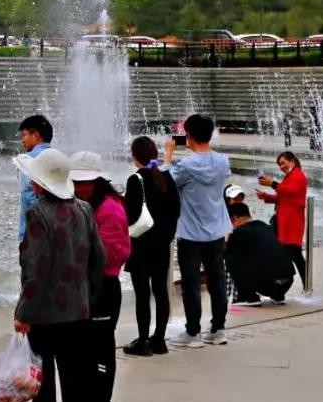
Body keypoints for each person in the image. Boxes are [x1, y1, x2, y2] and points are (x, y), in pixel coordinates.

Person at [10, 147, 105, 402]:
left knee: (43, 378)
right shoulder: (84, 210)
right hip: (78, 309)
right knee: (77, 375)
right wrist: (87, 296)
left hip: (46, 313)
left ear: (39, 184)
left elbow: (35, 270)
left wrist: (23, 312)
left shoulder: (38, 215)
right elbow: (98, 258)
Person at [69, 152, 131, 402]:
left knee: (102, 348)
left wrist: (81, 251)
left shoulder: (110, 209)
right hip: (84, 285)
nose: (78, 187)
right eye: (75, 182)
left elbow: (117, 252)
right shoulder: (84, 205)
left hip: (103, 286)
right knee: (84, 349)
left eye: (83, 182)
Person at [162, 113, 232, 346]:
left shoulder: (186, 166)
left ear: (188, 136)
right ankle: (219, 328)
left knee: (191, 282)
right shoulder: (223, 161)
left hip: (191, 232)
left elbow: (166, 183)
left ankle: (193, 333)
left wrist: (168, 155)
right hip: (216, 229)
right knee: (217, 279)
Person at [122, 136, 179, 356]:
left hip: (141, 244)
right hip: (161, 244)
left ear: (135, 156)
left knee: (142, 294)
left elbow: (132, 214)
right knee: (161, 292)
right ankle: (159, 340)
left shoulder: (136, 179)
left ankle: (143, 340)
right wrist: (166, 235)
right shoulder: (165, 177)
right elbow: (175, 209)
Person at [225, 199, 295, 306]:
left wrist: (228, 240)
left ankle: (248, 297)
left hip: (267, 283)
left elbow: (228, 257)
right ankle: (278, 296)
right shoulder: (265, 227)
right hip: (287, 281)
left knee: (230, 256)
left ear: (235, 218)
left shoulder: (238, 233)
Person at [256, 151, 309, 291]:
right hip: (287, 221)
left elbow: (290, 191)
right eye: (280, 164)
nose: (282, 166)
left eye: (283, 163)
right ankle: (302, 284)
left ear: (292, 161)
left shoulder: (298, 175)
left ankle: (289, 283)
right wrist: (266, 196)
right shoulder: (290, 176)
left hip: (292, 221)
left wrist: (272, 183)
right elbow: (282, 195)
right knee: (293, 255)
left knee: (292, 255)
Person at [16, 114, 53, 243]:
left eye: (24, 135)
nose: (22, 140)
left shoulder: (28, 160)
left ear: (36, 135)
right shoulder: (57, 158)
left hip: (33, 233)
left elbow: (29, 197)